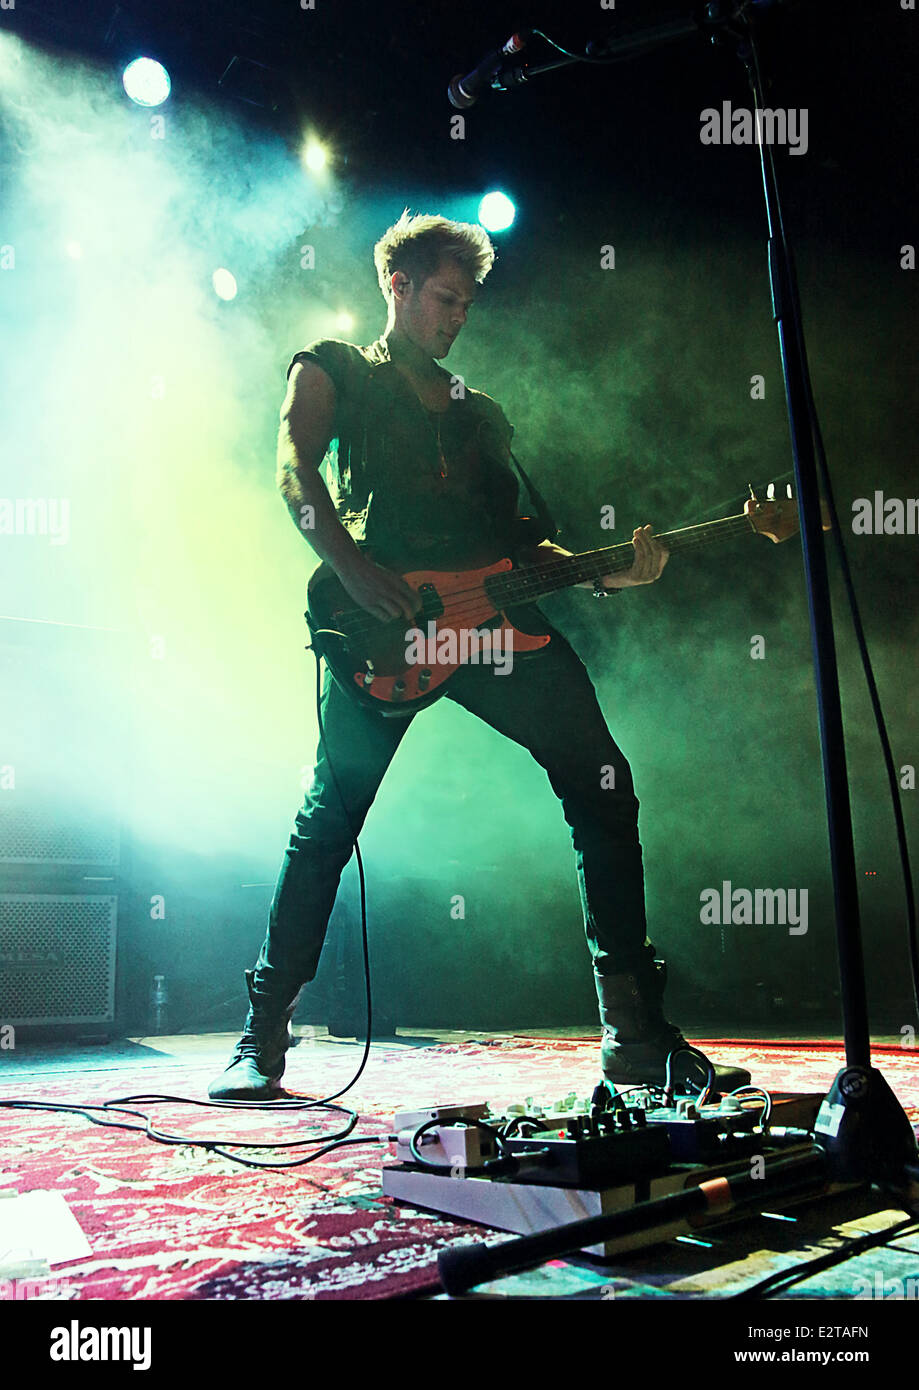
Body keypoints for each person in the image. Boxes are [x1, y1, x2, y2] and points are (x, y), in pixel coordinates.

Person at [208, 211, 749, 1101]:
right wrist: (351, 565)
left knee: (602, 781)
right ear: (397, 286)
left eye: (467, 305)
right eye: (444, 299)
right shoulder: (335, 365)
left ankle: (634, 1034)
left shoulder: (480, 413)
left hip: (497, 627)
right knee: (328, 821)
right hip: (384, 625)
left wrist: (613, 575)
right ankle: (262, 1033)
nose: (457, 318)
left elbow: (531, 546)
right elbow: (293, 471)